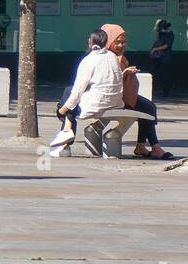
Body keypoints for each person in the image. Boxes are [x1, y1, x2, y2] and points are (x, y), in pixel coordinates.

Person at [102, 23, 173, 159]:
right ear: (109, 41)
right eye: (117, 42)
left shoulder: (117, 57)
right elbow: (108, 81)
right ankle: (152, 147)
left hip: (121, 97)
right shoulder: (106, 58)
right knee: (148, 108)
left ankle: (143, 145)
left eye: (123, 42)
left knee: (148, 107)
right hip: (112, 99)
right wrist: (125, 74)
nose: (121, 45)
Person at [50, 29, 122, 148]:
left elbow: (78, 90)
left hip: (97, 104)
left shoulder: (89, 60)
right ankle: (66, 134)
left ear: (90, 42)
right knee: (70, 96)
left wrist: (61, 110)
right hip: (116, 102)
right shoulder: (113, 57)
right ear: (106, 43)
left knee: (69, 95)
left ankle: (66, 140)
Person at [148, 19, 174, 98]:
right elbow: (157, 41)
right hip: (158, 58)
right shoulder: (161, 33)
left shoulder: (170, 34)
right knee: (155, 73)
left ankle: (165, 91)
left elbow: (167, 45)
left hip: (165, 57)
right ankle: (156, 89)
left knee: (165, 74)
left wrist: (155, 49)